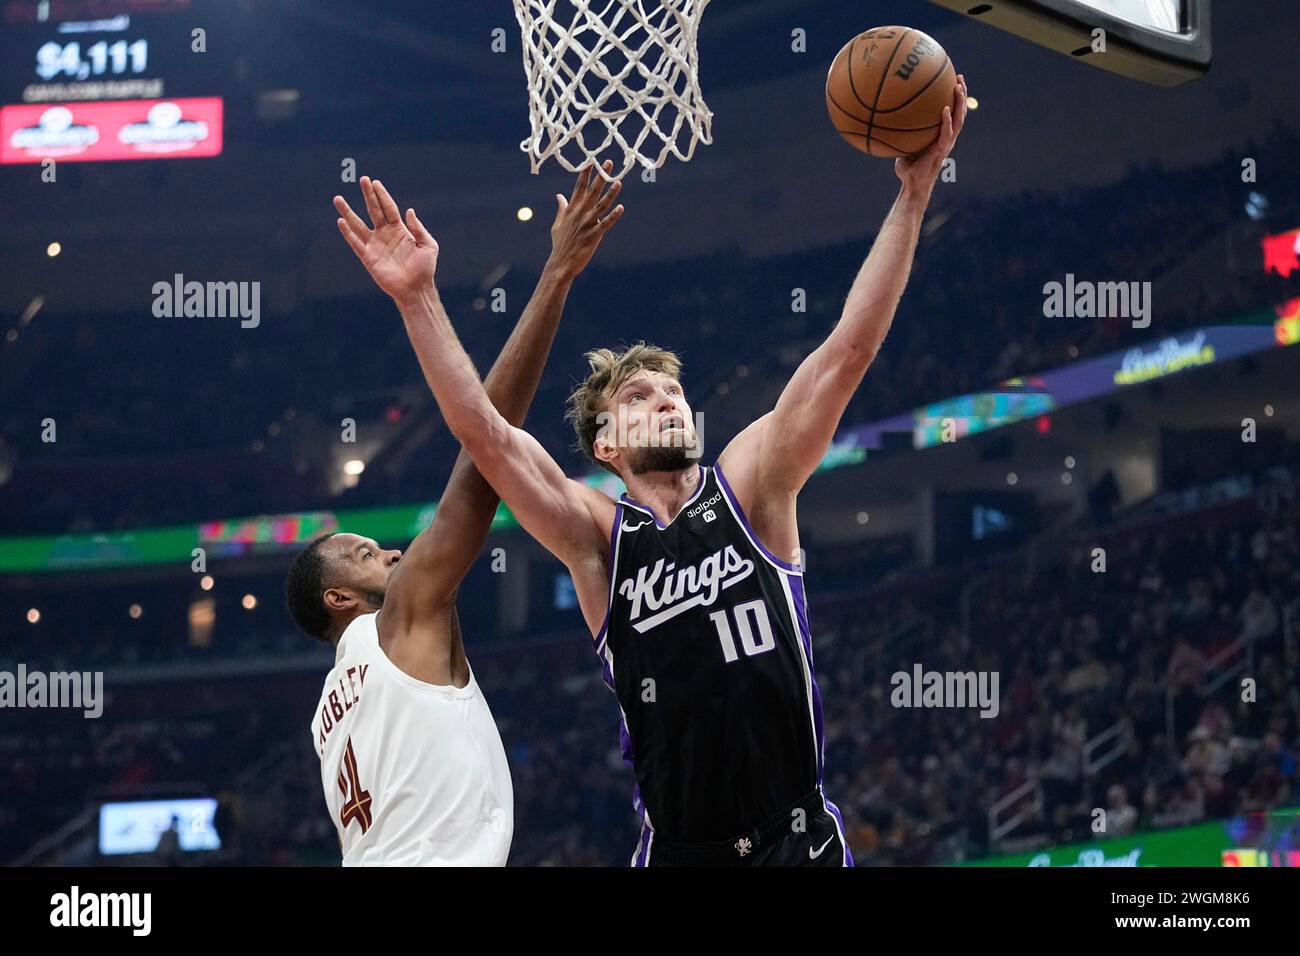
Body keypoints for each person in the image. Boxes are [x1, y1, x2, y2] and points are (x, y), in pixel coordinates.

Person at [331, 75, 966, 866]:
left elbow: (846, 352)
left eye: (674, 390)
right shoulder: (598, 539)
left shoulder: (752, 488)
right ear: (606, 443)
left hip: (795, 840)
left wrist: (912, 195)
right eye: (641, 395)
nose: (668, 400)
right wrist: (419, 299)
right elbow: (485, 438)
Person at [287, 164, 624, 864]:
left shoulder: (329, 708)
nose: (392, 554)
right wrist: (554, 276)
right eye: (365, 555)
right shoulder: (397, 620)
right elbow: (482, 461)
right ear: (339, 597)